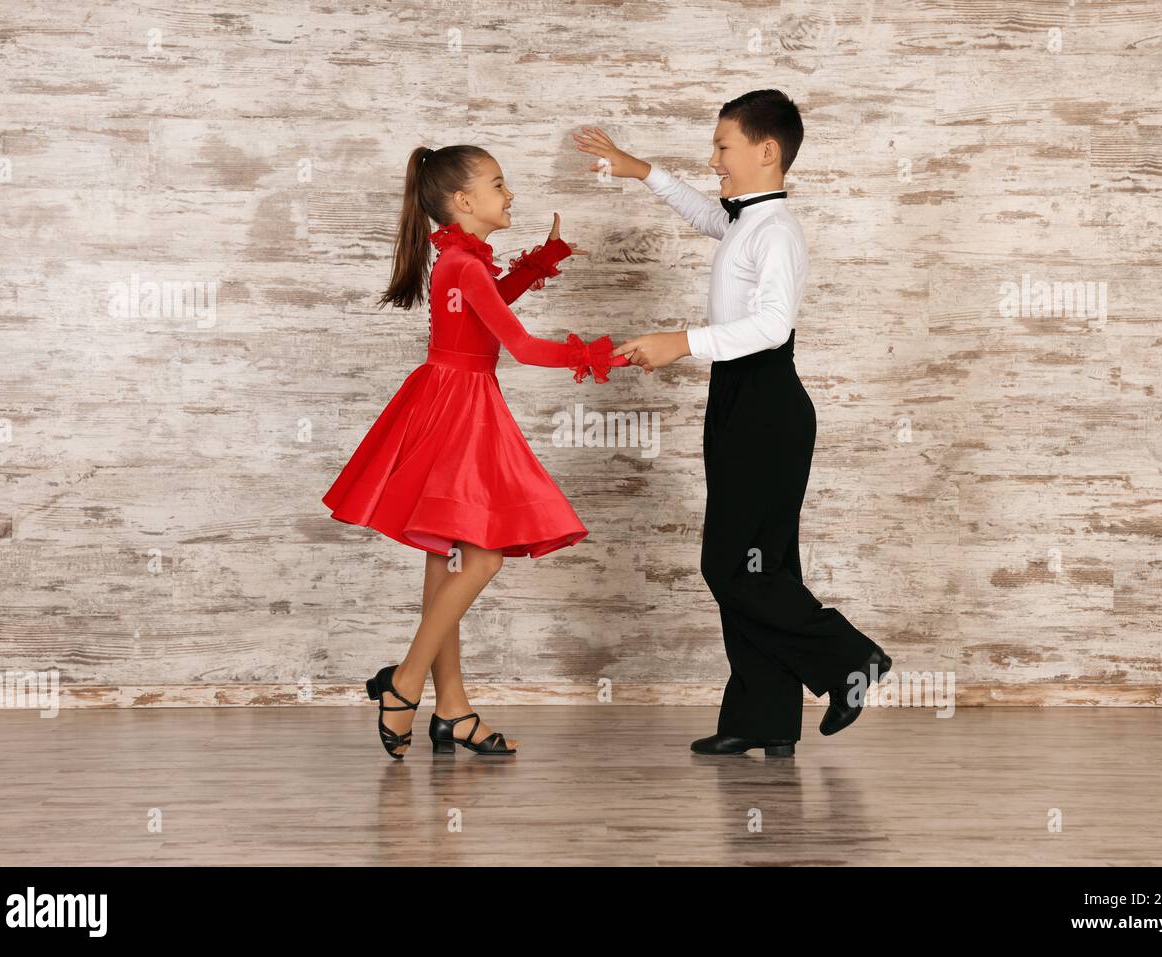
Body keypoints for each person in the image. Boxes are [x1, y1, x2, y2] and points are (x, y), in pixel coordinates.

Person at [574, 90, 892, 757]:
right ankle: (764, 717)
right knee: (761, 562)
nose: (714, 159)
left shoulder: (776, 231)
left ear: (766, 151)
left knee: (732, 565)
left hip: (766, 405)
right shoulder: (747, 221)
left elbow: (772, 326)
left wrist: (681, 342)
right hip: (739, 398)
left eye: (723, 146)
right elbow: (703, 212)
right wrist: (641, 170)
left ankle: (850, 659)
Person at [323, 144, 628, 759]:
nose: (510, 194)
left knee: (448, 562)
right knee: (480, 558)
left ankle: (453, 709)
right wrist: (600, 355)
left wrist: (538, 263)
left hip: (449, 401)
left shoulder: (461, 263)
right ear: (464, 201)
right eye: (499, 183)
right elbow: (521, 347)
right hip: (460, 409)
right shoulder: (463, 265)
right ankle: (404, 683)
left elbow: (485, 310)